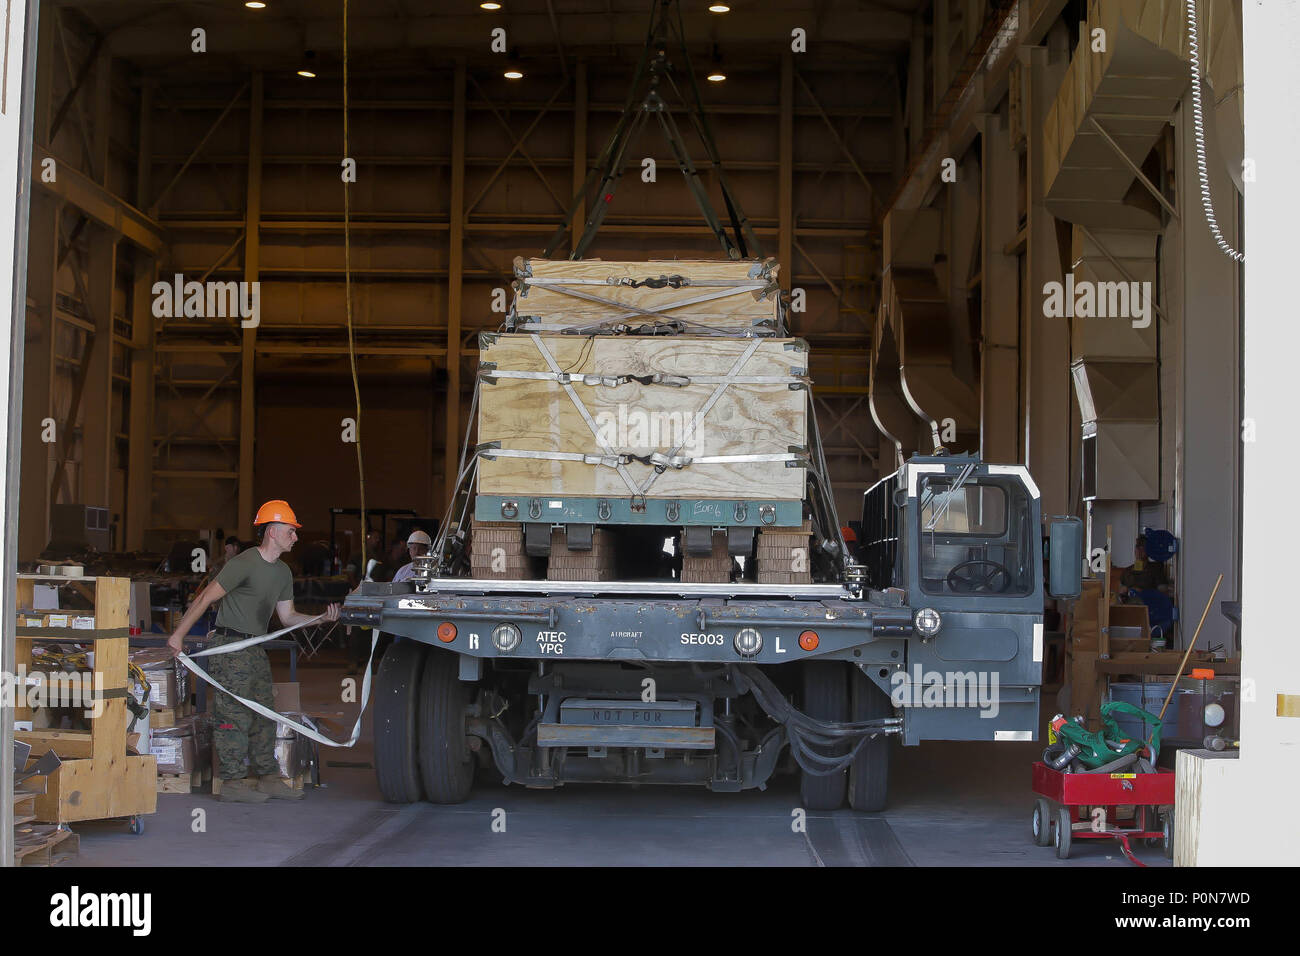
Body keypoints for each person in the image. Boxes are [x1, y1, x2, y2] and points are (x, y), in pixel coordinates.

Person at [166, 499, 339, 804]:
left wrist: (319, 619)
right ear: (272, 531)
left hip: (255, 647)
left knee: (264, 711)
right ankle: (232, 782)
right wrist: (178, 635)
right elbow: (206, 597)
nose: (296, 537)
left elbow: (287, 618)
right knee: (233, 713)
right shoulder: (244, 563)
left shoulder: (283, 573)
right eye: (291, 530)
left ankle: (268, 777)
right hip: (230, 646)